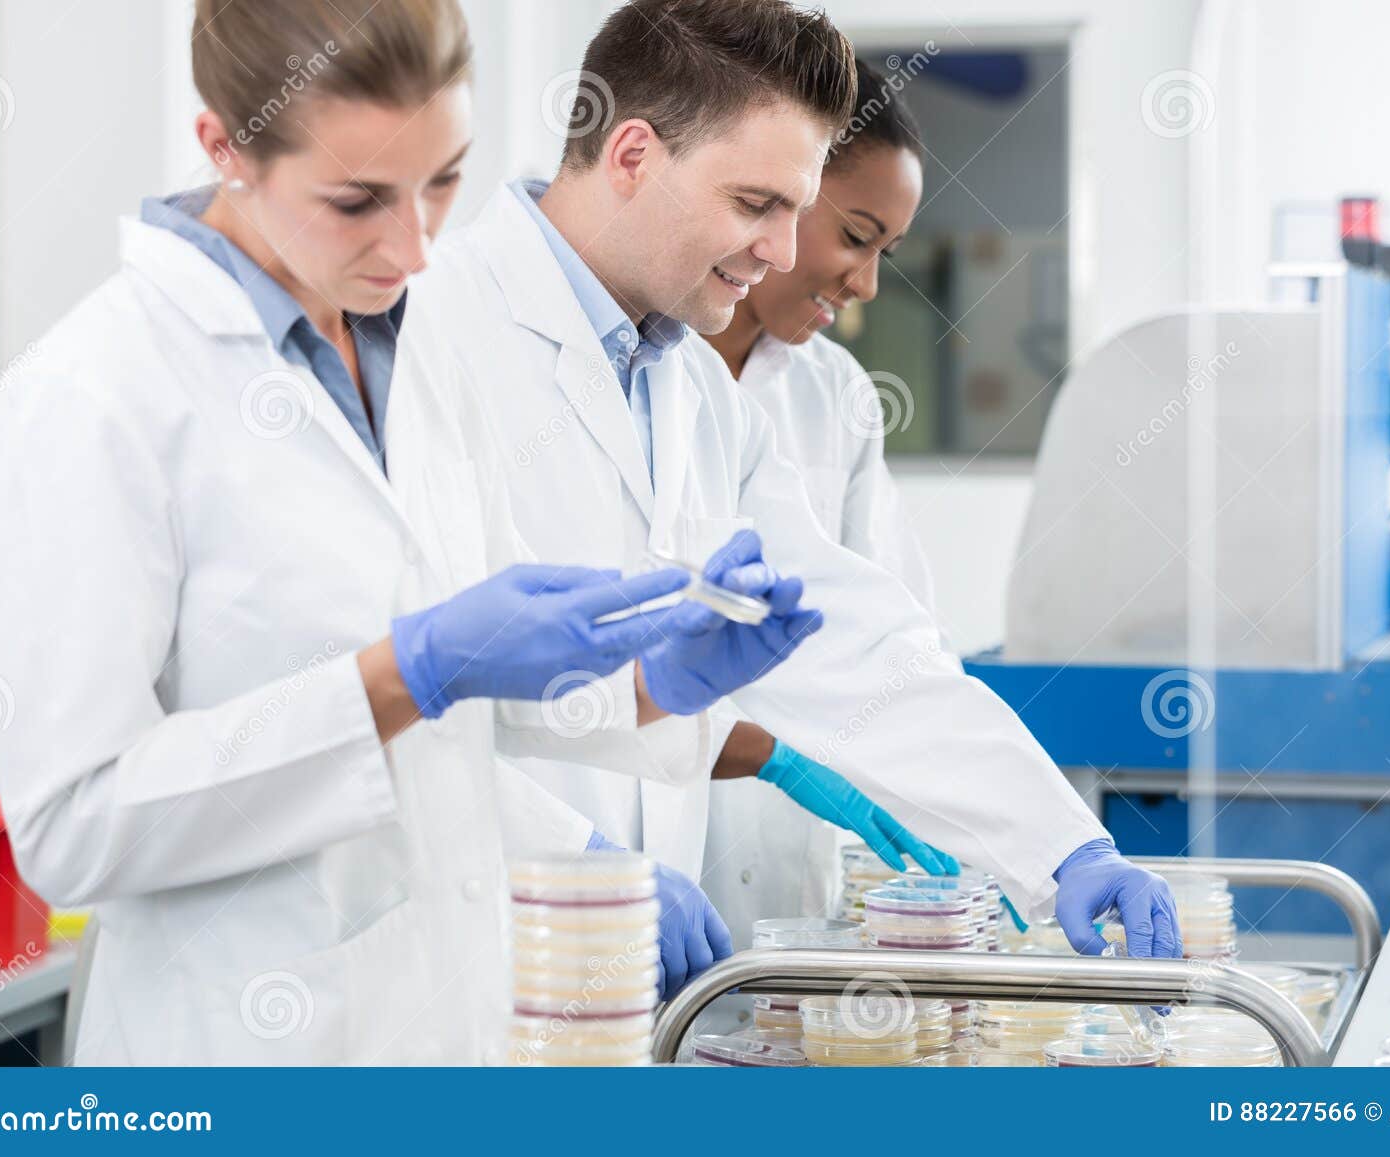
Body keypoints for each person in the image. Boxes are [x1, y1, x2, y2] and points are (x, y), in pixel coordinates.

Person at [0, 0, 816, 1066]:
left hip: (445, 1038)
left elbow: (473, 700)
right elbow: (73, 824)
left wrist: (658, 684)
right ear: (225, 147)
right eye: (358, 198)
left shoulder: (408, 350)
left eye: (444, 179)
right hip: (241, 1053)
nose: (413, 244)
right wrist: (400, 673)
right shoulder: (94, 392)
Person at [394, 0, 1182, 959]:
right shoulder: (425, 332)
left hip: (630, 981)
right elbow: (386, 702)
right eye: (755, 205)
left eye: (797, 213)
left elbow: (846, 633)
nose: (779, 249)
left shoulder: (690, 384)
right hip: (471, 953)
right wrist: (573, 861)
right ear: (633, 155)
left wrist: (1064, 846)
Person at [694, 62, 945, 941]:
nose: (867, 283)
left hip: (792, 867)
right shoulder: (637, 366)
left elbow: (889, 632)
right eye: (857, 236)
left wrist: (1004, 827)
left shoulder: (834, 393)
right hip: (635, 861)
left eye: (887, 252)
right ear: (782, 189)